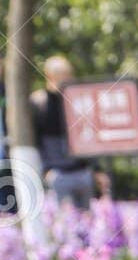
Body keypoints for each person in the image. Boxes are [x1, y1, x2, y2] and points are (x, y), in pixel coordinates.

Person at [31, 57, 101, 210]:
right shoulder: (39, 103)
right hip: (58, 174)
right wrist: (46, 170)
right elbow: (37, 141)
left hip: (82, 172)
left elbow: (87, 135)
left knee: (87, 222)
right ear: (50, 77)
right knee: (64, 223)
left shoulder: (77, 100)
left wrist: (96, 169)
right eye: (64, 75)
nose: (69, 79)